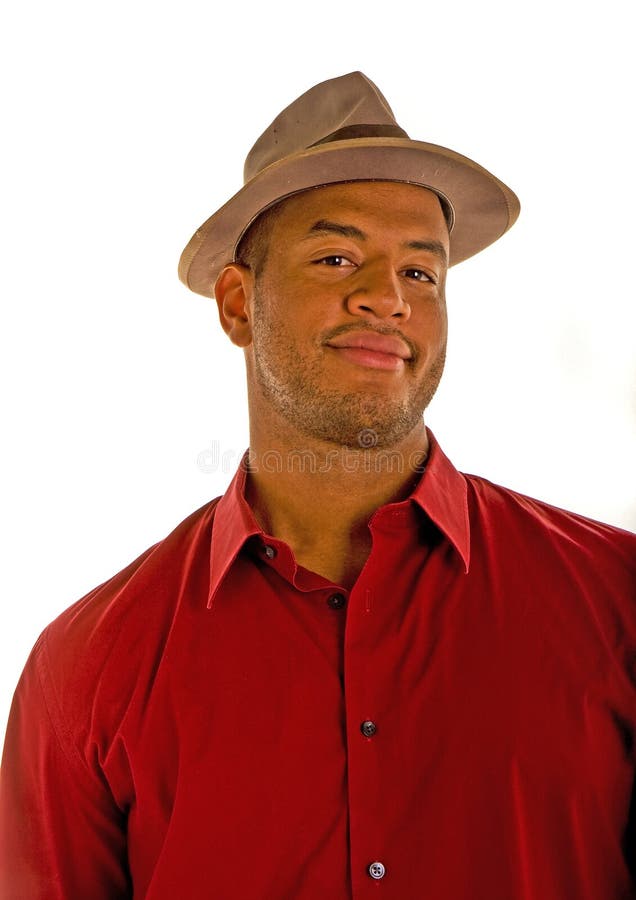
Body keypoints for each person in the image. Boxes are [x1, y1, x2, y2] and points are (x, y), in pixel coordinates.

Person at [0, 70, 635, 900]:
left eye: (421, 273)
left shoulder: (619, 600)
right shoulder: (86, 668)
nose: (387, 300)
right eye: (337, 257)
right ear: (237, 305)